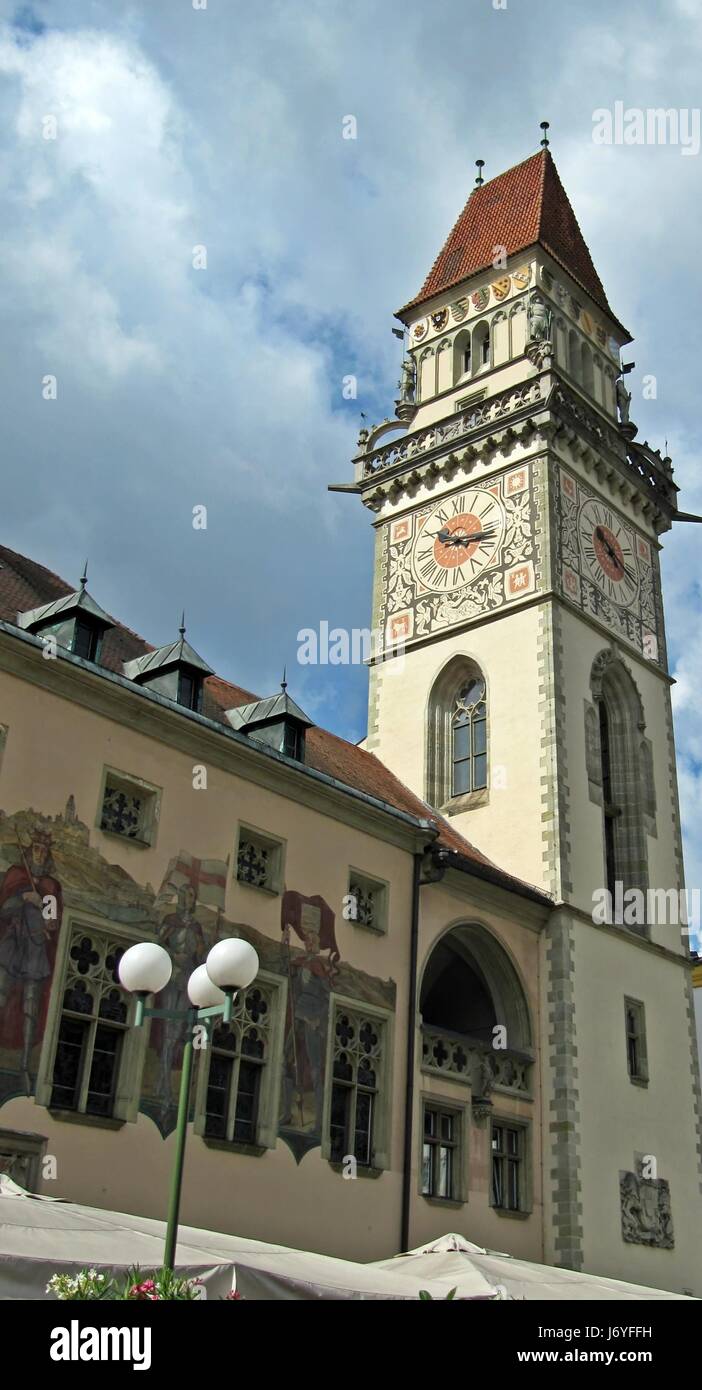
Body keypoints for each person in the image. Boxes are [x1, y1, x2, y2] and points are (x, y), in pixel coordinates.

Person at [0, 829, 62, 1093]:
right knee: (1, 993)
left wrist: (43, 907)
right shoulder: (16, 876)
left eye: (43, 850)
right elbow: (4, 909)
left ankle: (25, 1065)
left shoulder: (49, 887)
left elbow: (53, 921)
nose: (38, 852)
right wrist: (24, 897)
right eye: (35, 847)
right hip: (13, 944)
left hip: (36, 949)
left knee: (30, 1006)